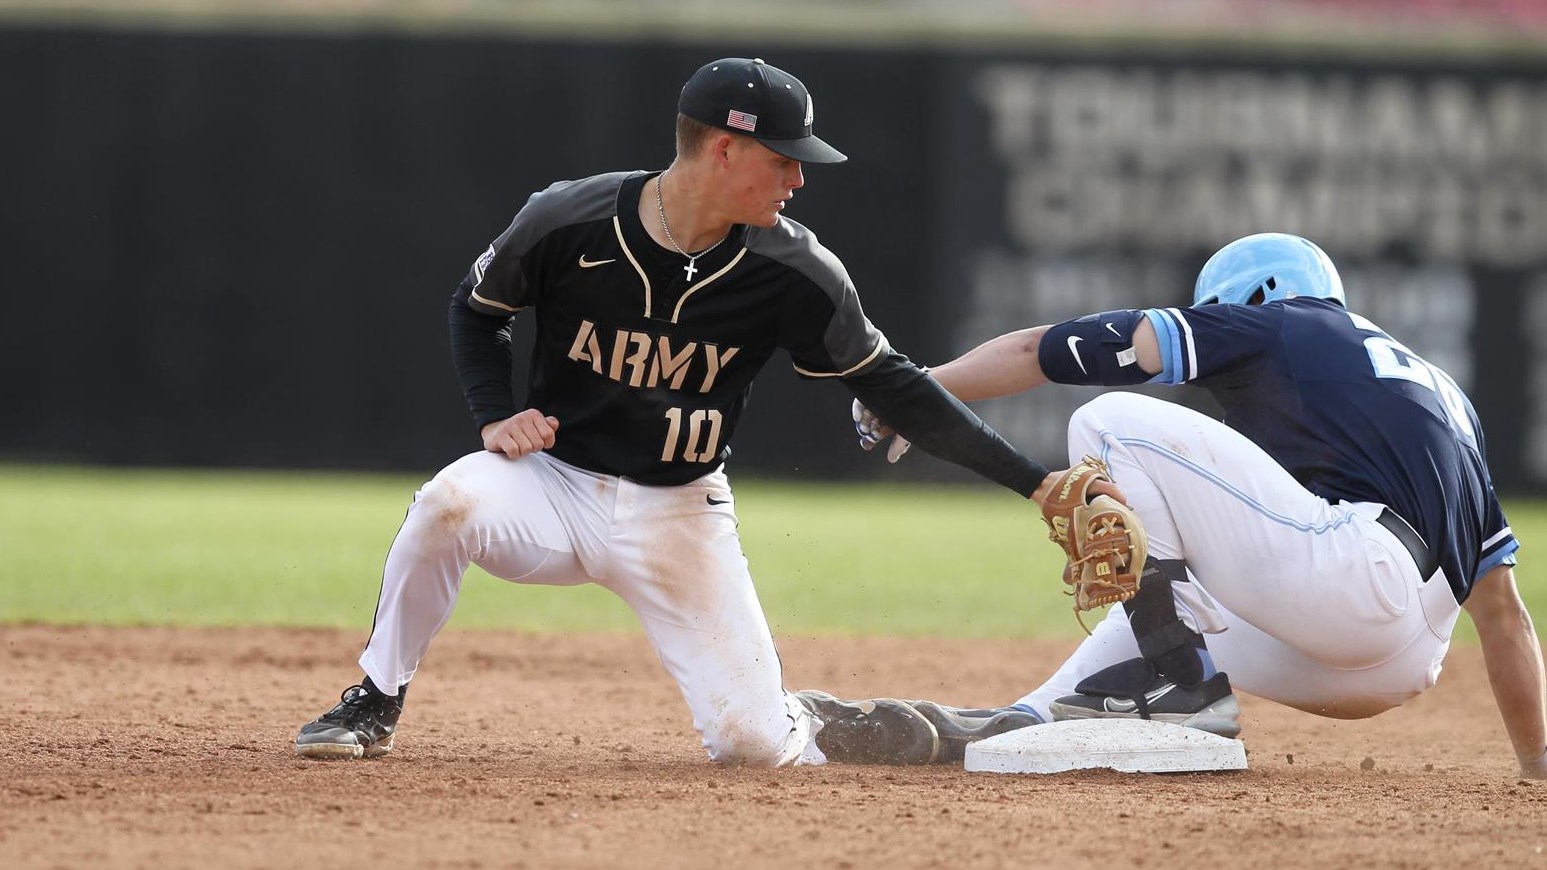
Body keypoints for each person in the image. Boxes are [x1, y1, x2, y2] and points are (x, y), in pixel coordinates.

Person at [292, 57, 1055, 766]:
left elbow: (897, 388)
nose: (796, 178)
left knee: (752, 748)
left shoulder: (795, 269)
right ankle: (375, 696)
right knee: (448, 504)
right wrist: (494, 415)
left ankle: (809, 717)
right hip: (550, 485)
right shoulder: (569, 218)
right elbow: (477, 307)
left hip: (679, 511)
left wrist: (1035, 485)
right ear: (724, 149)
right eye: (782, 159)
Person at [842, 233, 1546, 778]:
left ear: (1249, 300)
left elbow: (1038, 349)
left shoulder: (1279, 325)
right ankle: (1027, 718)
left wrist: (916, 389)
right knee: (1173, 602)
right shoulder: (1440, 399)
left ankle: (1179, 687)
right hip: (1396, 666)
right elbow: (1503, 614)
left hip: (1355, 580)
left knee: (1110, 419)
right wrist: (1537, 761)